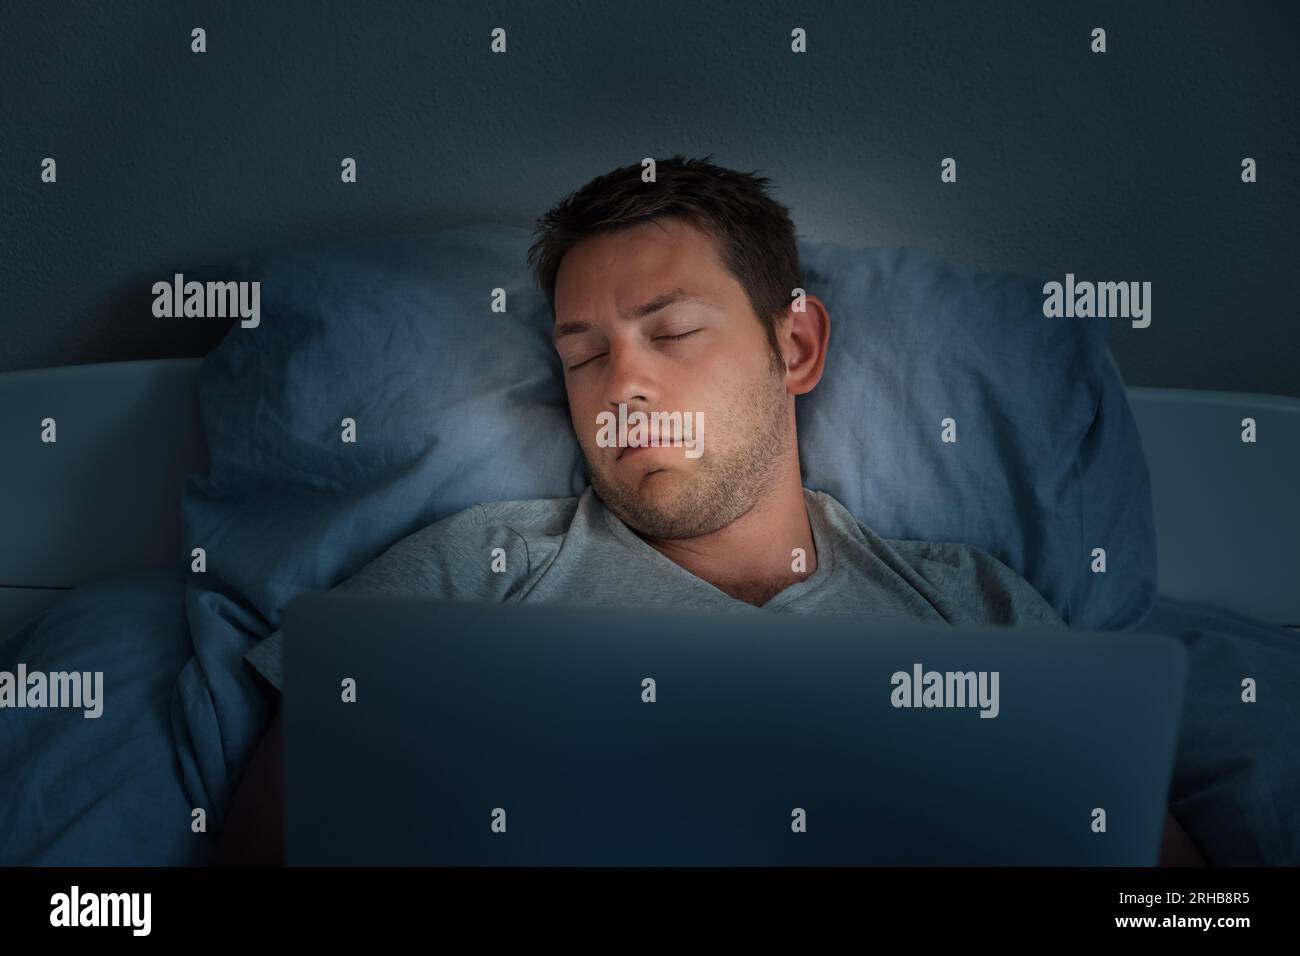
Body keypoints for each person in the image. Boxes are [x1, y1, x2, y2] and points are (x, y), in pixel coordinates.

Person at [216, 155, 1204, 865]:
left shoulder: (972, 609)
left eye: (672, 330)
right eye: (583, 355)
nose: (623, 387)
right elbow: (264, 847)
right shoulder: (470, 576)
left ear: (799, 347)